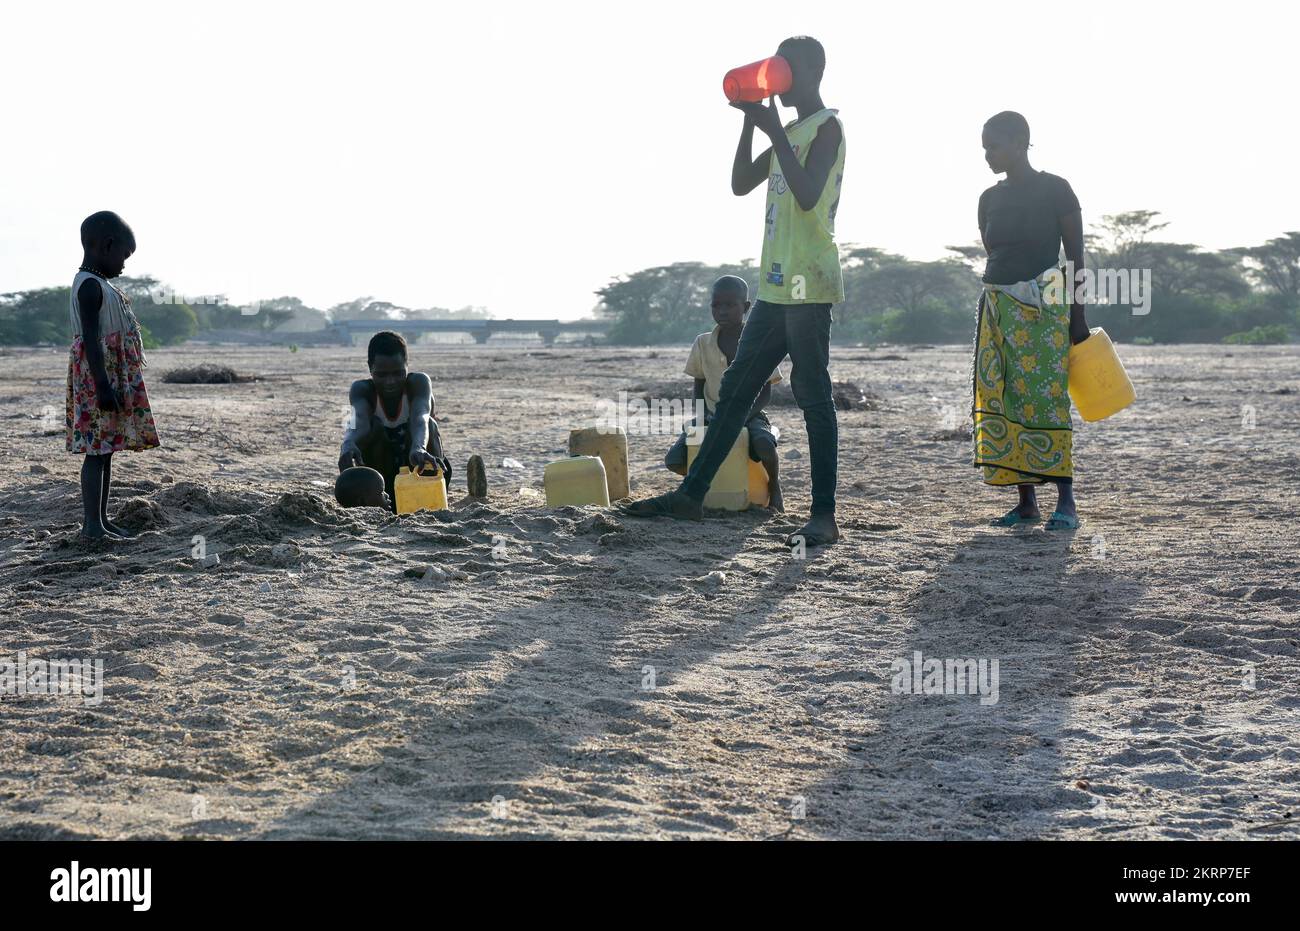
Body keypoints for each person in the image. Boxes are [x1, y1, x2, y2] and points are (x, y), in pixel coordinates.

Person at [623, 35, 845, 547]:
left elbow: (810, 197)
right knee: (735, 394)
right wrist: (753, 120)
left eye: (783, 68)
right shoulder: (789, 129)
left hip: (808, 287)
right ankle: (690, 496)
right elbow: (741, 181)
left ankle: (825, 514)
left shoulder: (827, 127)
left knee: (814, 399)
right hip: (772, 289)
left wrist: (777, 133)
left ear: (810, 70)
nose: (776, 76)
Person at [973, 111, 1090, 530]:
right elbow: (993, 251)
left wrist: (1079, 318)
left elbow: (1076, 257)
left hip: (1044, 309)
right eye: (985, 148)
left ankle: (1066, 502)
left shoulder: (1056, 190)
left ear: (1021, 142)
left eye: (995, 146)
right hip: (999, 309)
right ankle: (1026, 503)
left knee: (1045, 397)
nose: (988, 155)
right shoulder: (989, 197)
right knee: (1004, 396)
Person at [66, 211, 160, 540]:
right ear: (107, 246)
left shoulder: (100, 283)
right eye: (124, 255)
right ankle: (92, 525)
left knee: (105, 450)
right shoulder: (90, 286)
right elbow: (91, 341)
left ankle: (102, 522)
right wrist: (103, 386)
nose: (124, 264)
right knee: (96, 452)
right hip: (97, 379)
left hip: (106, 376)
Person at [663, 276, 784, 511]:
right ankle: (707, 483)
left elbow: (766, 392)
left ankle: (775, 488)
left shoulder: (759, 341)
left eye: (730, 305)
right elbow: (699, 385)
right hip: (711, 414)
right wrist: (700, 418)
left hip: (751, 414)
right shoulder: (702, 343)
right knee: (674, 459)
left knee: (764, 446)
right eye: (716, 305)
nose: (722, 311)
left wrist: (744, 416)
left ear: (746, 308)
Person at [337, 331, 483, 511]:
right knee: (372, 428)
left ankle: (434, 498)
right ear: (370, 368)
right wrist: (348, 443)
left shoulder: (418, 383)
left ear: (407, 365)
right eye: (381, 375)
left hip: (418, 468)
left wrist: (418, 447)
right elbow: (357, 420)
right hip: (383, 478)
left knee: (430, 423)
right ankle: (379, 501)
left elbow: (420, 418)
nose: (390, 382)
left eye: (398, 373)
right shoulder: (361, 389)